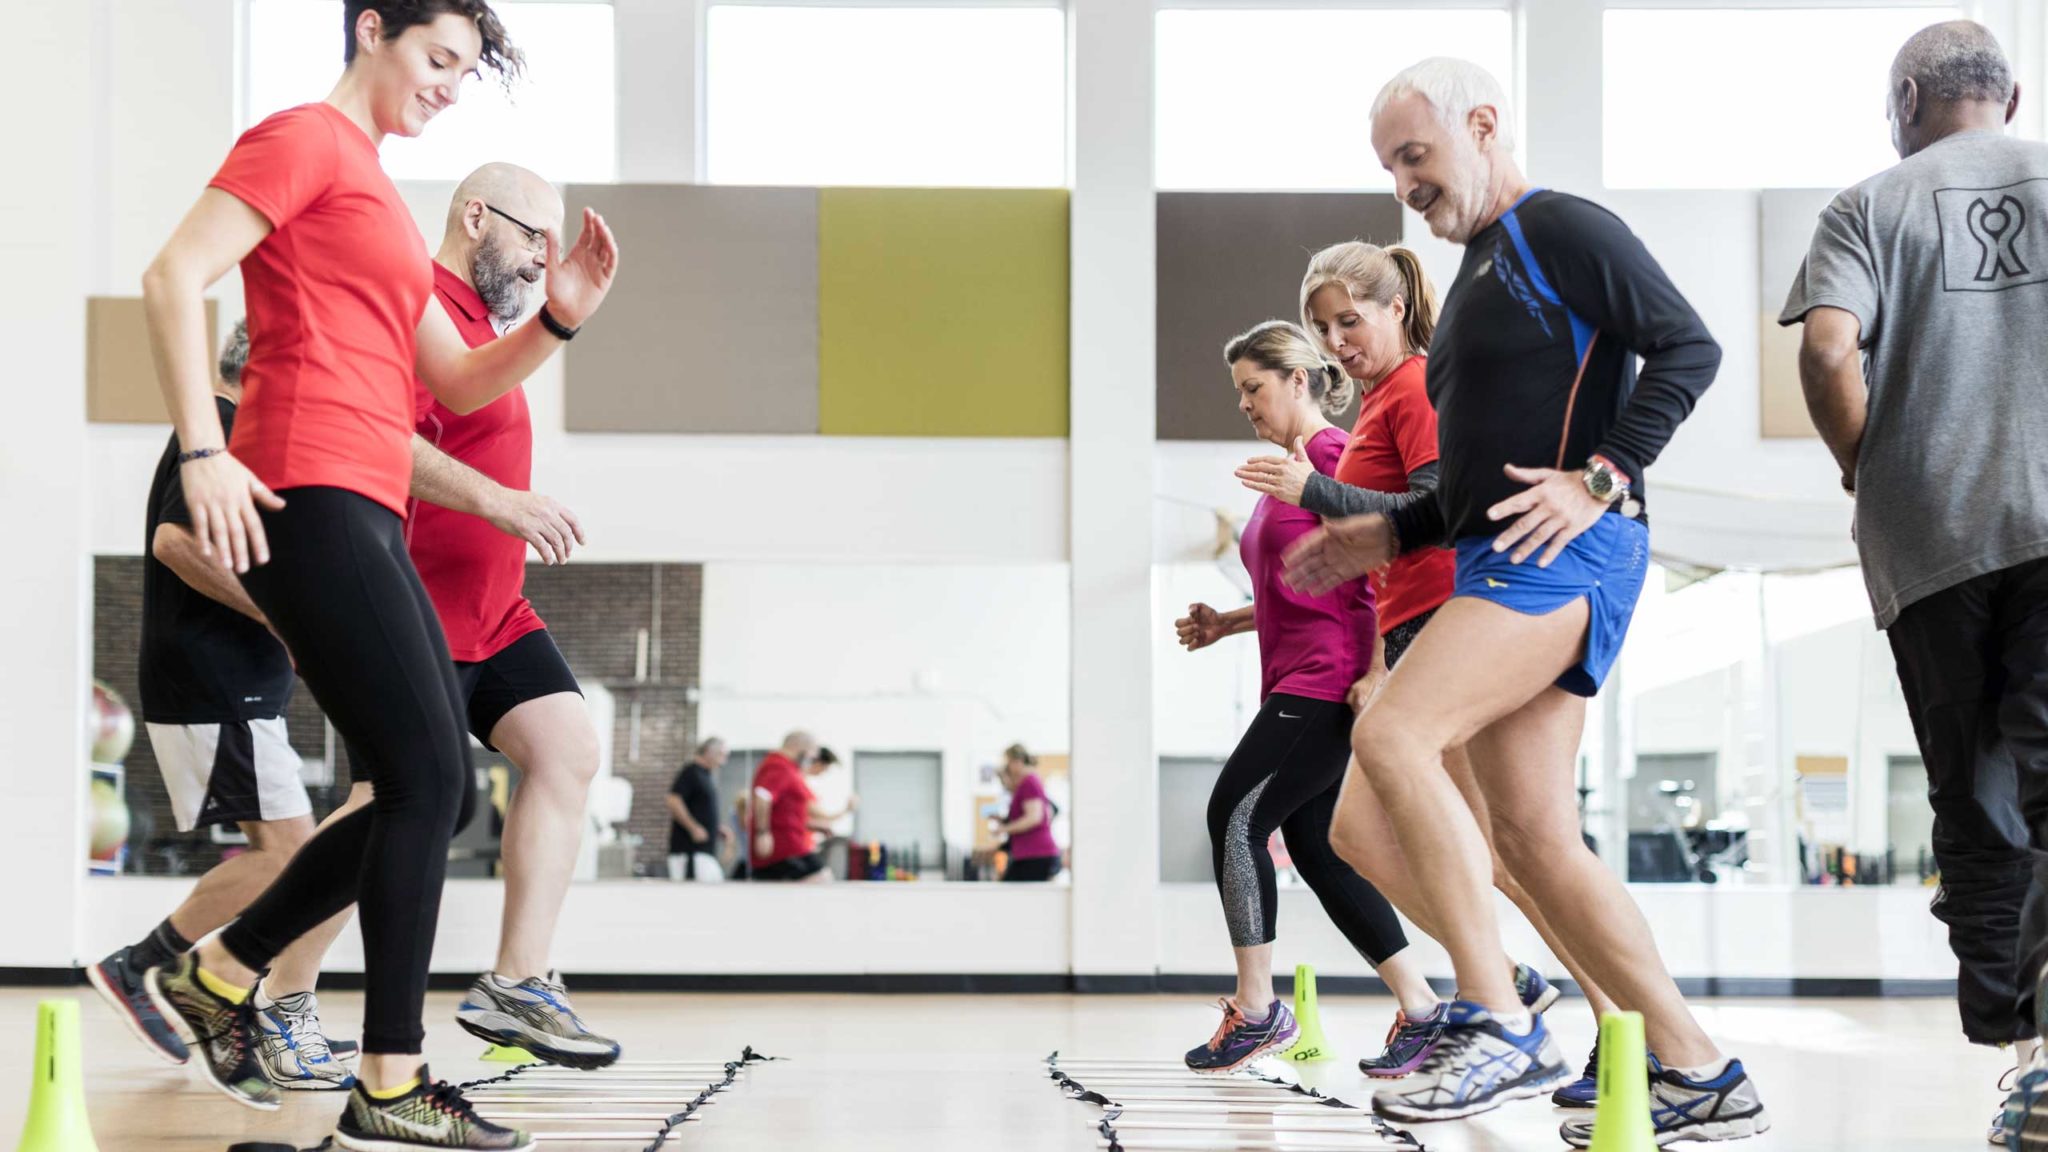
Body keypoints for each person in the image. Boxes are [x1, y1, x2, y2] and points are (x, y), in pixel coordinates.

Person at [137, 2, 616, 1147]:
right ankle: (383, 1081)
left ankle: (225, 978)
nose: (449, 85)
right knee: (422, 780)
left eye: (463, 71)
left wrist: (557, 318)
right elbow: (172, 276)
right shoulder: (303, 137)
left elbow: (452, 382)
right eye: (437, 58)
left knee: (429, 784)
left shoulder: (378, 193)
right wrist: (204, 450)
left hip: (368, 501)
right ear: (369, 32)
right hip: (305, 483)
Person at [1283, 58, 1766, 1143]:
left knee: (1396, 732)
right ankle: (1696, 1069)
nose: (1407, 184)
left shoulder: (1558, 229)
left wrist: (1601, 476)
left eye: (1416, 155)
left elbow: (1686, 345)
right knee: (1536, 837)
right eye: (1390, 169)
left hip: (1565, 557)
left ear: (1483, 126)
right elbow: (1461, 491)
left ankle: (1497, 1018)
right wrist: (1386, 530)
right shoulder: (1478, 283)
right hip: (1500, 558)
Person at [1241, 240, 1615, 1091]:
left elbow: (1436, 508)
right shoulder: (1377, 405)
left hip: (1457, 618)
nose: (1337, 340)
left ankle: (1599, 1020)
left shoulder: (1412, 387)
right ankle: (1502, 984)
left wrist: (1316, 495)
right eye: (1323, 326)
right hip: (1410, 629)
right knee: (1354, 833)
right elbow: (1377, 558)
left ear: (1396, 307)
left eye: (1351, 320)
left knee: (1518, 856)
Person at [1779, 21, 2045, 1146]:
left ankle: (2023, 1057)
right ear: (2010, 96)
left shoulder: (1868, 204)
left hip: (1928, 538)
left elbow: (1827, 350)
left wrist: (1863, 465)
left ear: (1904, 98)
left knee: (1975, 806)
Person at [88, 320, 364, 1092]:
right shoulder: (219, 429)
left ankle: (222, 992)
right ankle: (145, 967)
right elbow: (177, 542)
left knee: (287, 852)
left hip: (226, 684)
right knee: (291, 855)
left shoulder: (228, 429)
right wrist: (277, 618)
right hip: (213, 683)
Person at [1172, 320, 1432, 1075]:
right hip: (1294, 674)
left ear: (1298, 379)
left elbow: (1388, 562)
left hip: (1330, 679)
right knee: (1318, 845)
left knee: (1235, 814)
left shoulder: (1329, 458)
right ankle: (1421, 1006)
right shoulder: (1287, 472)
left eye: (1254, 386)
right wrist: (1228, 621)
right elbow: (1312, 581)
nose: (1246, 404)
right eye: (1239, 392)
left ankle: (1258, 1009)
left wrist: (1380, 667)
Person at [405, 164, 619, 1070]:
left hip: (495, 611)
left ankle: (517, 983)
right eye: (534, 234)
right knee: (392, 812)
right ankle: (268, 988)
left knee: (569, 748)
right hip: (420, 607)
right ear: (474, 214)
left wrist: (556, 313)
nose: (543, 256)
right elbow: (389, 441)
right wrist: (502, 500)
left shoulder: (487, 328)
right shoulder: (418, 304)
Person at [749, 731, 857, 882]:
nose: (812, 757)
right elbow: (762, 796)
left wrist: (815, 826)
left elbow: (788, 812)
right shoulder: (778, 765)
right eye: (812, 752)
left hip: (791, 845)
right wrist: (762, 833)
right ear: (801, 747)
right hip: (785, 847)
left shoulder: (789, 769)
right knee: (822, 878)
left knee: (818, 882)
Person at [993, 743, 1061, 882]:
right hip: (1029, 853)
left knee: (1009, 891)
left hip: (1036, 853)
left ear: (1017, 762)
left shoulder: (1029, 781)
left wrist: (1004, 829)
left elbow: (1034, 817)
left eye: (1008, 763)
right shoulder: (1027, 783)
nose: (1008, 768)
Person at [668, 737, 728, 882]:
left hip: (705, 851)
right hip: (690, 851)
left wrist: (716, 828)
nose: (723, 761)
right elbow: (673, 800)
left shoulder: (706, 776)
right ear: (708, 752)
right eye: (721, 754)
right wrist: (693, 827)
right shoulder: (691, 772)